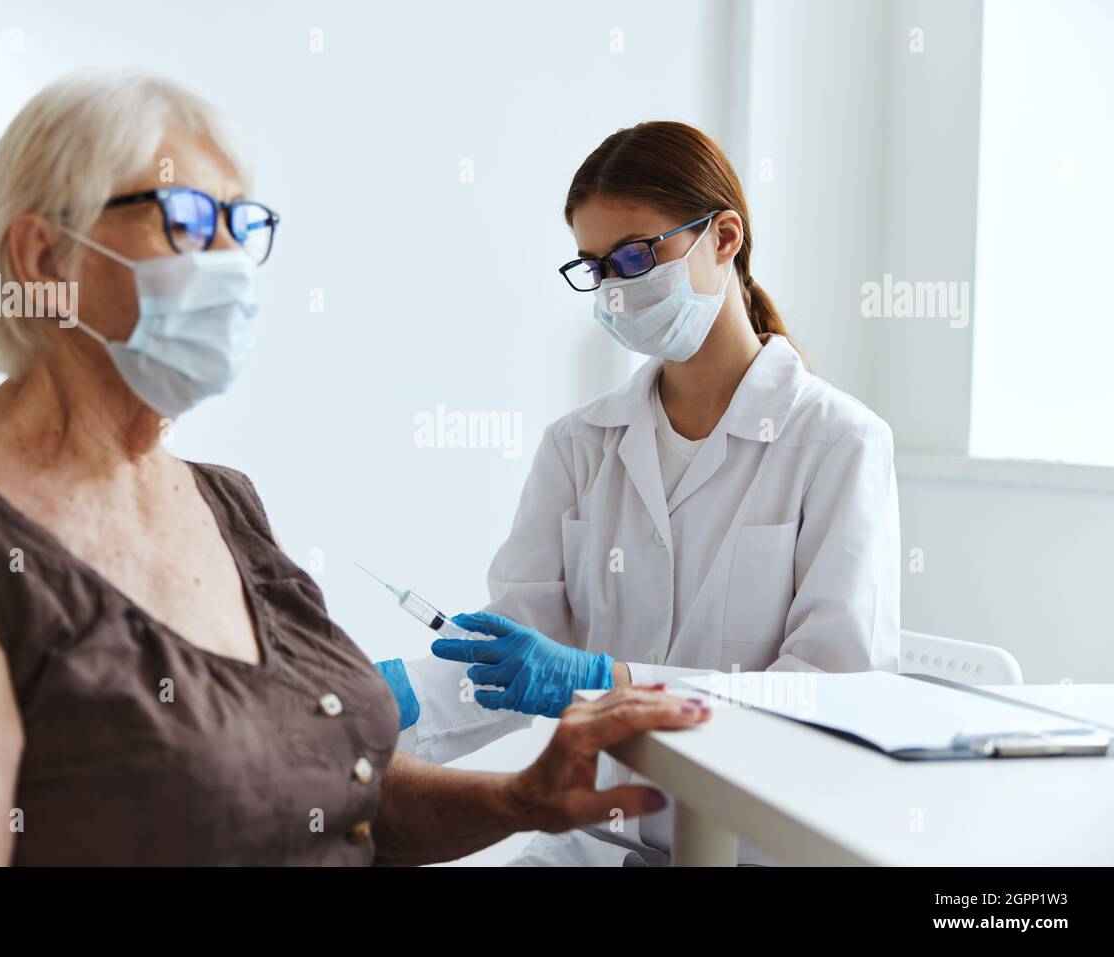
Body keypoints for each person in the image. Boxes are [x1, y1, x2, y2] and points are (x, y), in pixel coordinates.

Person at [0, 75, 709, 866]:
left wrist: (519, 801)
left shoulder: (220, 501)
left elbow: (334, 794)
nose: (232, 265)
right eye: (190, 220)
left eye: (243, 225)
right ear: (44, 258)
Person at [381, 121, 900, 866]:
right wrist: (372, 703)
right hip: (593, 841)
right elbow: (514, 648)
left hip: (753, 848)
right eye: (596, 266)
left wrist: (615, 683)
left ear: (724, 237)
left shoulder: (839, 442)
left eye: (634, 255)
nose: (616, 287)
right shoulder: (579, 444)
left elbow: (831, 697)